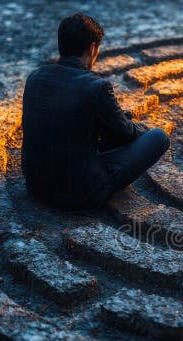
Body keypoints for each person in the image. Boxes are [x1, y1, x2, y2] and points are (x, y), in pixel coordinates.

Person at [21, 13, 169, 210]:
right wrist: (140, 129)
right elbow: (124, 134)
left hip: (36, 187)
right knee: (158, 137)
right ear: (92, 48)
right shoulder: (96, 86)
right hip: (81, 193)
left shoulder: (35, 77)